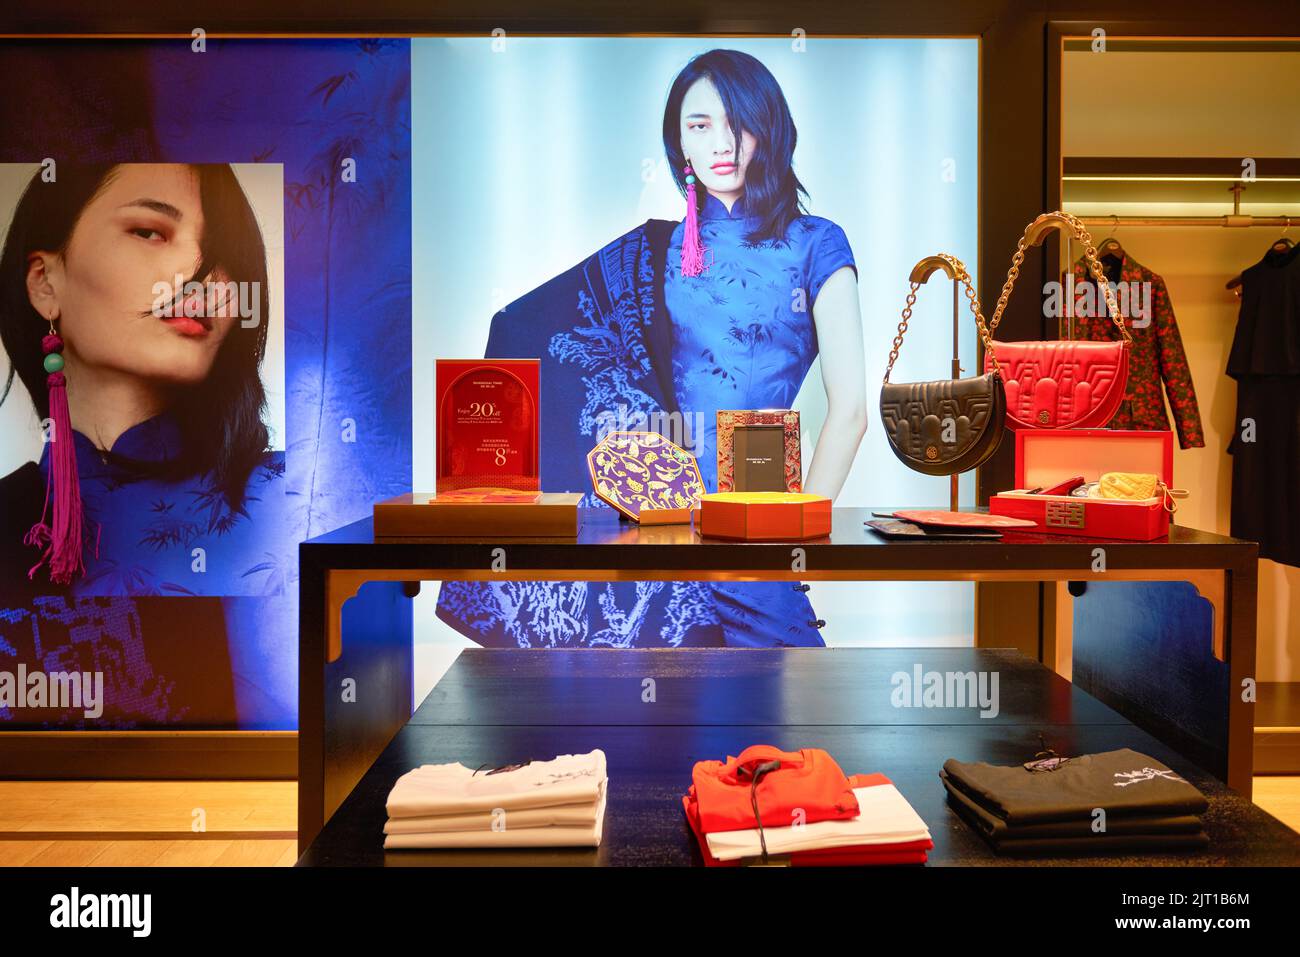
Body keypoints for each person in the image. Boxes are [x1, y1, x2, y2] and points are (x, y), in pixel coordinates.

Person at [437, 49, 868, 648]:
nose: (722, 143)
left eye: (737, 121)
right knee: (660, 730)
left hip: (759, 528)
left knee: (780, 727)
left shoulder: (816, 244)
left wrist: (801, 535)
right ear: (680, 147)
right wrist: (482, 456)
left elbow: (849, 410)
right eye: (699, 126)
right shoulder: (656, 253)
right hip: (659, 539)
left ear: (768, 126)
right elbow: (535, 332)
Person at [0, 163, 285, 598]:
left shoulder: (295, 501)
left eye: (222, 250)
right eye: (150, 232)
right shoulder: (10, 516)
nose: (202, 272)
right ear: (44, 283)